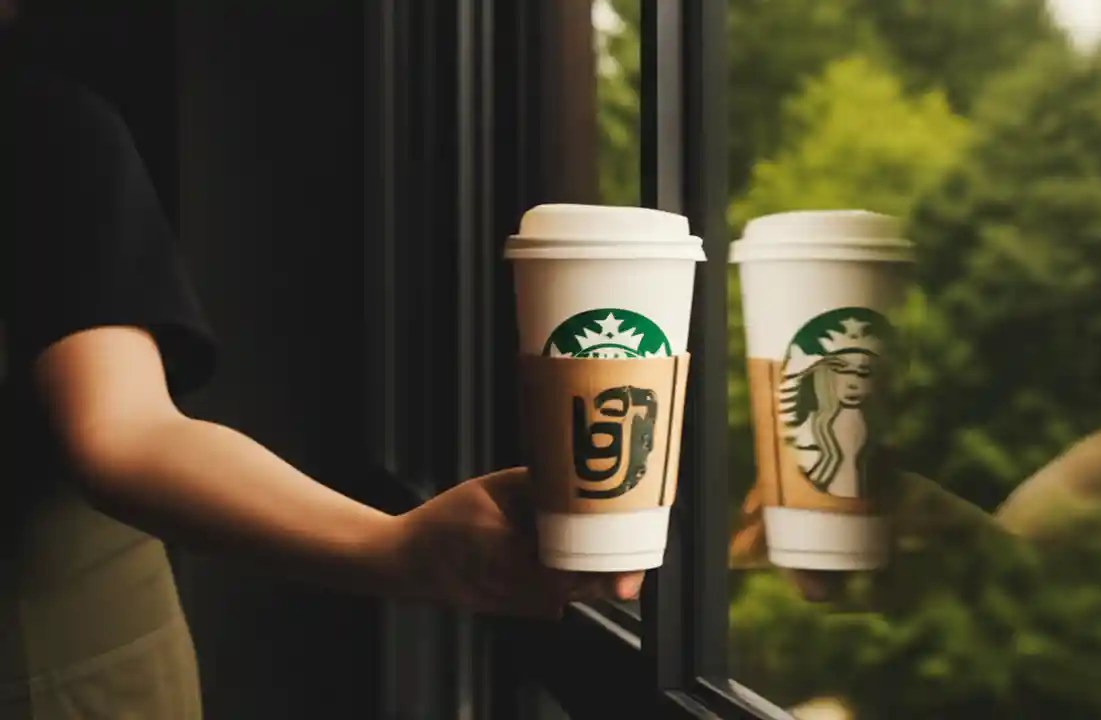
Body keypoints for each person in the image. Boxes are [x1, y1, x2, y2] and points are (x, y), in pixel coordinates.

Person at [1, 11, 641, 719]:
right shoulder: (42, 126)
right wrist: (399, 549)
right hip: (55, 675)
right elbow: (122, 436)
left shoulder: (42, 127)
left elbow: (123, 433)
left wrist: (402, 546)